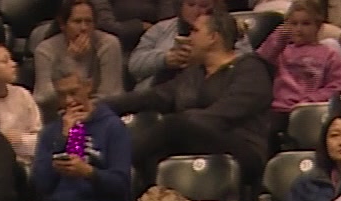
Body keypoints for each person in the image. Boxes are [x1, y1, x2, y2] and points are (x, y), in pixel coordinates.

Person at [103, 12, 275, 187]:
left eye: (195, 31)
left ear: (213, 38)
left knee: (172, 125)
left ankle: (111, 164)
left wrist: (186, 122)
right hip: (192, 140)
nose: (188, 37)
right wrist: (100, 106)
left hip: (242, 148)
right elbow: (153, 97)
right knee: (153, 155)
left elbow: (224, 114)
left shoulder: (250, 69)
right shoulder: (194, 74)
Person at [30, 61, 136, 201]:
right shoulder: (51, 132)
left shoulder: (113, 127)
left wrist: (89, 173)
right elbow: (38, 187)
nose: (69, 101)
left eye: (73, 92)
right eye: (62, 95)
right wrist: (62, 139)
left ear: (88, 86)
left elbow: (122, 187)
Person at [258, 0, 341, 119]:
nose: (299, 29)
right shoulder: (280, 50)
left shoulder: (329, 53)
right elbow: (261, 58)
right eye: (294, 24)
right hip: (278, 109)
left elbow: (338, 86)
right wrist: (280, 35)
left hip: (310, 110)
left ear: (318, 26)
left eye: (306, 24)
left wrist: (311, 99)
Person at [129, 0, 250, 89]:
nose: (196, 11)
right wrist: (165, 59)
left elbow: (246, 62)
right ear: (181, 6)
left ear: (214, 7)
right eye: (191, 5)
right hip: (154, 94)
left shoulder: (228, 29)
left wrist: (207, 58)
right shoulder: (160, 28)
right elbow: (134, 65)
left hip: (207, 94)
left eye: (203, 6)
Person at [35, 0, 127, 109]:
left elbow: (112, 96)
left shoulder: (109, 44)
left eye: (88, 21)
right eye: (77, 22)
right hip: (60, 113)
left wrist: (84, 108)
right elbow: (44, 97)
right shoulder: (45, 50)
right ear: (62, 25)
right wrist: (70, 60)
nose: (84, 28)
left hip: (99, 112)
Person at [0, 45, 41, 165]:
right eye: (5, 61)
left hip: (24, 163)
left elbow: (40, 139)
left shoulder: (22, 94)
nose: (13, 64)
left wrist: (21, 140)